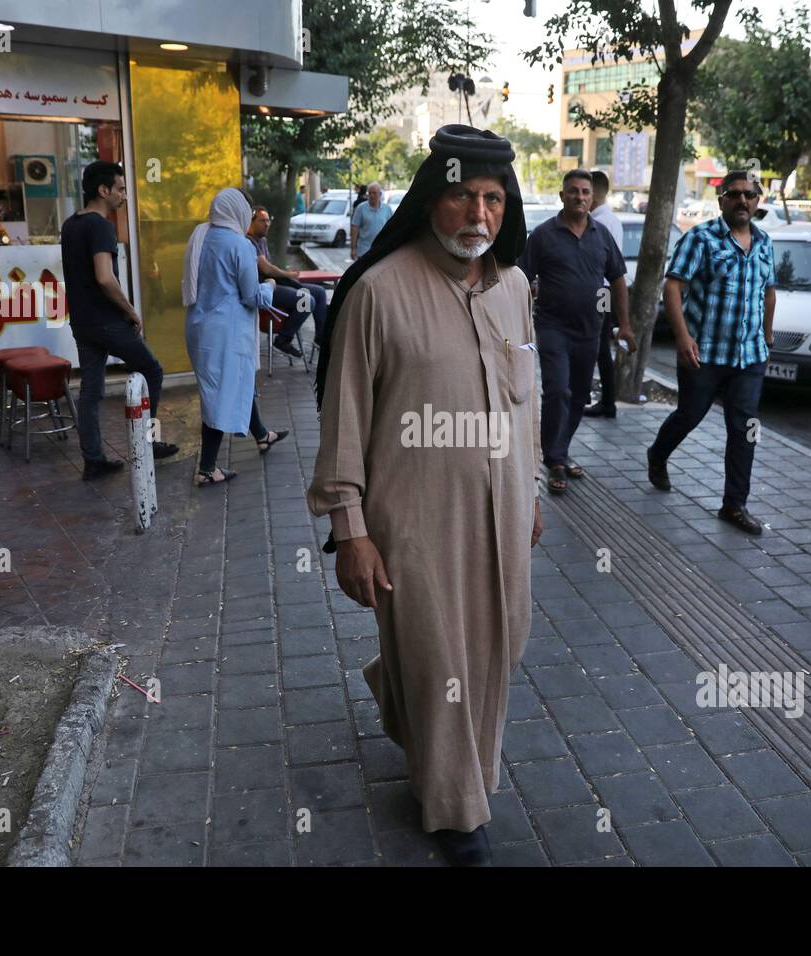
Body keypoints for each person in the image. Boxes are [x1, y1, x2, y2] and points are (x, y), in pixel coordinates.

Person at [308, 125, 542, 867]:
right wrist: (351, 529)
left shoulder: (514, 288)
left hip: (504, 512)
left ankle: (398, 689)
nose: (479, 214)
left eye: (493, 199)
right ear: (430, 201)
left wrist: (531, 490)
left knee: (502, 643)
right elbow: (343, 415)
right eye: (462, 197)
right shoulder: (378, 291)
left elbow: (525, 404)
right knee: (443, 654)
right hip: (413, 518)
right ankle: (455, 808)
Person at [647, 170, 776, 535]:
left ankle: (734, 505)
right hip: (704, 353)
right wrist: (683, 338)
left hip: (748, 356)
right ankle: (658, 454)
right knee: (689, 415)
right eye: (734, 194)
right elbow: (673, 288)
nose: (742, 201)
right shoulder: (700, 239)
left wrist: (766, 339)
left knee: (744, 427)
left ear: (757, 200)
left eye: (749, 195)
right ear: (721, 200)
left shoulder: (765, 242)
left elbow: (769, 292)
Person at [518, 168, 634, 494]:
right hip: (552, 326)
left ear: (592, 197)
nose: (579, 197)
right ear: (562, 196)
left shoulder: (602, 236)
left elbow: (618, 280)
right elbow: (520, 278)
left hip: (591, 330)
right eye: (573, 191)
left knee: (580, 395)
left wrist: (624, 325)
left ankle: (559, 450)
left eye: (585, 192)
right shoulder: (543, 235)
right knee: (557, 391)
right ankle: (554, 459)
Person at [60, 160, 177, 481]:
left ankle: (93, 459)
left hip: (82, 323)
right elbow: (105, 277)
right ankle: (148, 442)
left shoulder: (71, 224)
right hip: (107, 322)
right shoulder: (100, 226)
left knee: (91, 392)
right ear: (103, 190)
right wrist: (129, 310)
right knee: (152, 369)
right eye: (121, 189)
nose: (124, 196)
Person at [183, 189, 289, 486]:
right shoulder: (239, 245)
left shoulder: (200, 236)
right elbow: (251, 296)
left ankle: (262, 435)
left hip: (198, 328)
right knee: (219, 398)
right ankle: (206, 469)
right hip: (225, 333)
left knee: (226, 387)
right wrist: (269, 285)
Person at [247, 205, 329, 357]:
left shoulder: (262, 241)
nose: (266, 224)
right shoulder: (249, 241)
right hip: (265, 289)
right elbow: (266, 269)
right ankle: (283, 339)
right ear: (251, 222)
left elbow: (271, 267)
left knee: (320, 292)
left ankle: (320, 338)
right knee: (307, 300)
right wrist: (288, 275)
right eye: (262, 220)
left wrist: (286, 274)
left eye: (267, 220)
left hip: (276, 284)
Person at [584, 169, 624, 419]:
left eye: (586, 191)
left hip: (600, 291)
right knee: (599, 347)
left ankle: (607, 401)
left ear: (594, 194)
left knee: (598, 347)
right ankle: (605, 400)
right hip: (604, 291)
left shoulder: (600, 222)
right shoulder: (611, 219)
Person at [349, 182, 392, 261]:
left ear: (380, 194)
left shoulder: (387, 209)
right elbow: (355, 228)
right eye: (370, 193)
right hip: (364, 251)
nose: (371, 195)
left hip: (380, 251)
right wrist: (353, 248)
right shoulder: (361, 208)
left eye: (374, 193)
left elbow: (391, 229)